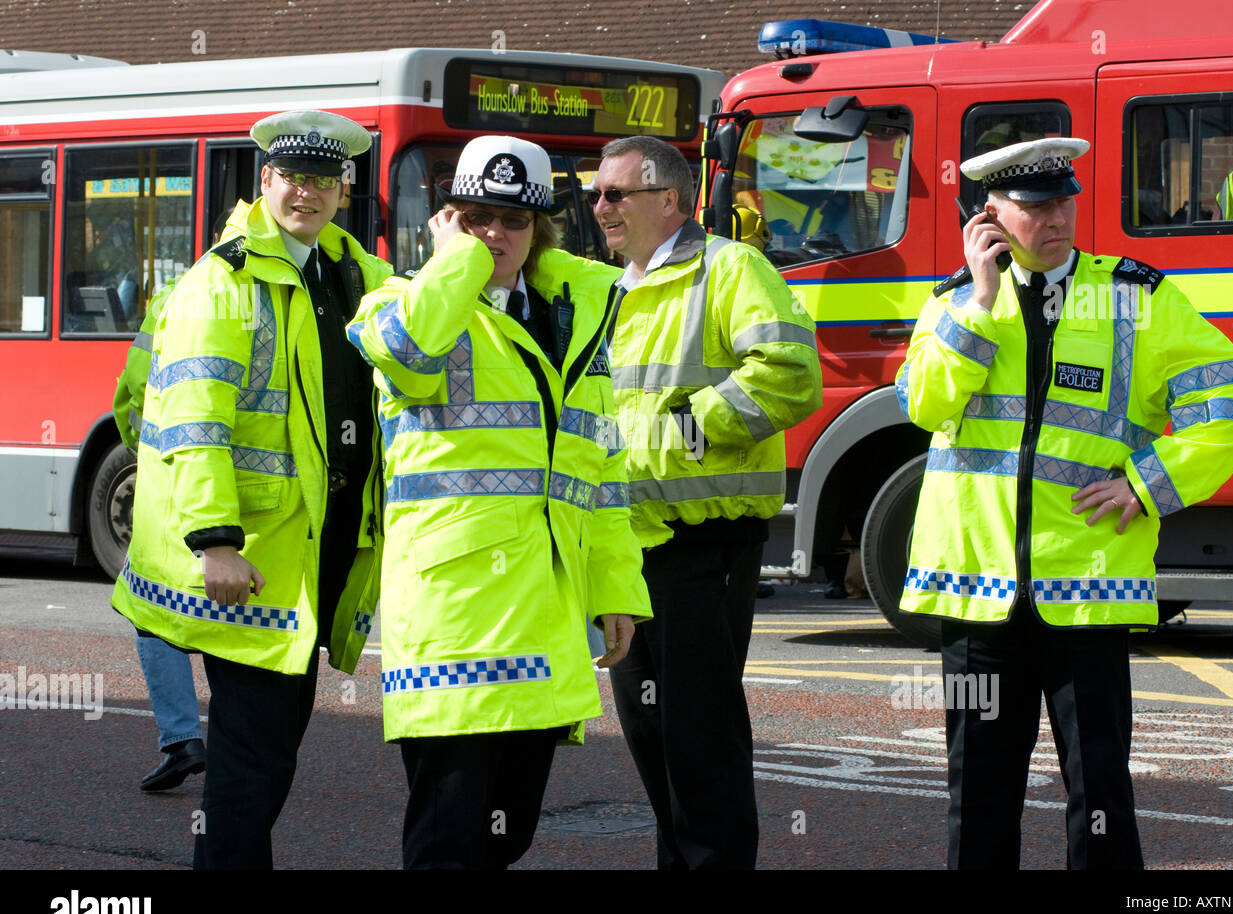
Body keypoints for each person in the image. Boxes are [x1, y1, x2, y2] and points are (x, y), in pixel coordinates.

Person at [897, 137, 1233, 869]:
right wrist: (978, 300)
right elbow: (924, 403)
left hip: (1088, 590)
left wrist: (1148, 484)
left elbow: (1232, 402)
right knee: (978, 790)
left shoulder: (1136, 296)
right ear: (989, 217)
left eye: (1063, 200)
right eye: (1033, 206)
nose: (1055, 217)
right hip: (977, 593)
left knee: (1098, 793)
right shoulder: (952, 304)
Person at [348, 135, 651, 870]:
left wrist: (617, 589)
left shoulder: (576, 319)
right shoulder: (398, 303)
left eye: (513, 221)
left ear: (539, 229)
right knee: (446, 845)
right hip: (456, 621)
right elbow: (413, 352)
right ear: (447, 221)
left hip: (544, 617)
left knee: (506, 837)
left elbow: (599, 473)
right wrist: (453, 262)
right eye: (476, 216)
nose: (495, 235)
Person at [111, 110, 392, 868]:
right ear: (264, 179)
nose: (308, 192)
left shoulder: (354, 272)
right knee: (251, 757)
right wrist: (216, 539)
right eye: (293, 177)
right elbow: (196, 418)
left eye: (324, 179)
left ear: (345, 187)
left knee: (270, 751)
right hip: (257, 557)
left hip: (316, 546)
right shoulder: (225, 280)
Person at [592, 135, 822, 869]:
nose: (599, 207)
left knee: (701, 749)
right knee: (653, 746)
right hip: (627, 548)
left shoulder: (730, 268)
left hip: (702, 548)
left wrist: (683, 428)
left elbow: (789, 376)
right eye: (595, 194)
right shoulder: (608, 287)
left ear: (668, 199)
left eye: (614, 193)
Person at [112, 204, 243, 793]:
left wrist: (145, 452)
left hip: (175, 493)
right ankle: (242, 741)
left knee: (151, 611)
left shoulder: (181, 293)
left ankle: (182, 736)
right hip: (259, 501)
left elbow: (133, 392)